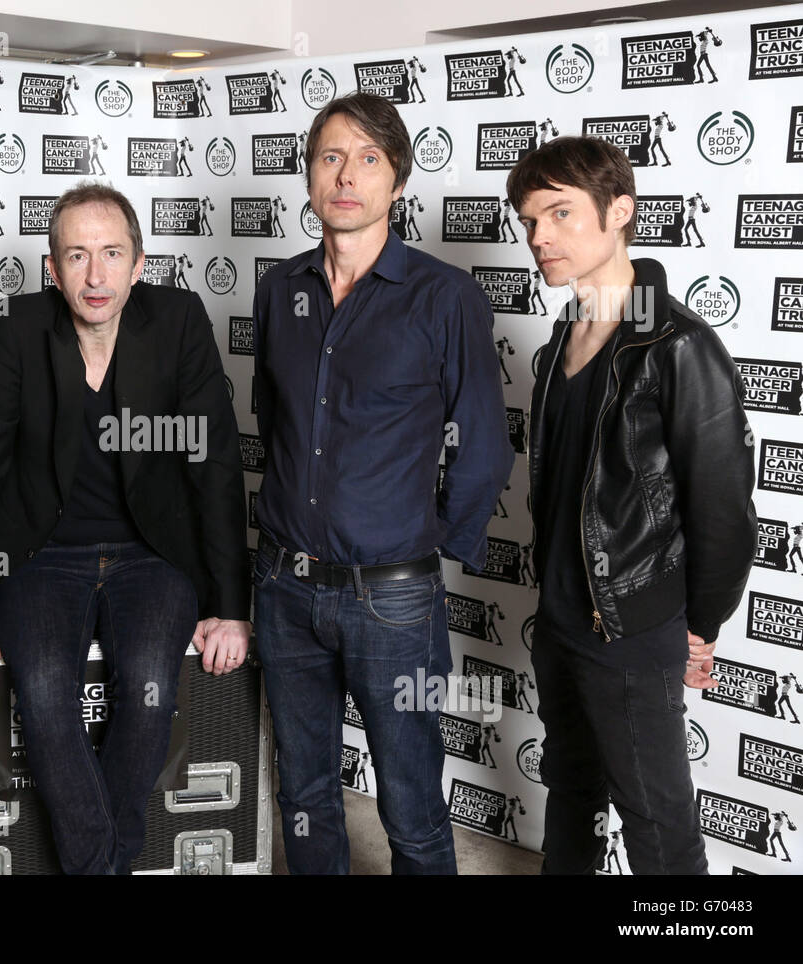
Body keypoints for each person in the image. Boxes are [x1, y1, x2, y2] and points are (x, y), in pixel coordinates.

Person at [0, 181, 250, 874]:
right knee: (44, 693)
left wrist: (230, 607)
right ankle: (106, 865)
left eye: (112, 254)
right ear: (52, 270)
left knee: (148, 690)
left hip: (151, 555)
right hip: (43, 556)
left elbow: (215, 467)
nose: (95, 274)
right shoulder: (17, 328)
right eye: (76, 256)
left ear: (140, 263)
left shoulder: (178, 320)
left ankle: (98, 863)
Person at [252, 92, 513, 875]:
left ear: (396, 180)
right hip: (283, 584)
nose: (347, 175)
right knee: (301, 793)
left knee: (409, 802)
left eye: (369, 159)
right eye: (330, 156)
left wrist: (421, 542)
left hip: (392, 600)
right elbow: (275, 420)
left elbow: (485, 447)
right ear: (307, 176)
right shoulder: (279, 290)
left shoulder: (445, 297)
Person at [508, 135, 756, 874]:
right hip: (559, 621)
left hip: (632, 628)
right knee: (569, 793)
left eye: (558, 213)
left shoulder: (678, 345)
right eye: (528, 220)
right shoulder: (558, 343)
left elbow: (724, 512)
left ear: (620, 211)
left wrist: (697, 626)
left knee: (657, 826)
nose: (539, 236)